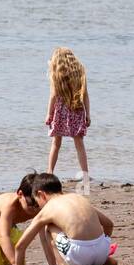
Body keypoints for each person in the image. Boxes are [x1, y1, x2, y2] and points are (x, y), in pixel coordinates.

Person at [14, 173, 118, 265]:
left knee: (49, 227)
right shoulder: (78, 197)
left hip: (79, 256)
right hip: (102, 252)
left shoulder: (48, 208)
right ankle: (107, 261)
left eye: (37, 202)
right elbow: (108, 224)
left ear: (41, 195)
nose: (38, 206)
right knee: (88, 234)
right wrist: (100, 245)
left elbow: (20, 246)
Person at [44, 47, 91, 187]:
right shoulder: (79, 72)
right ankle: (85, 174)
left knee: (56, 143)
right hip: (76, 110)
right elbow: (85, 95)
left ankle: (50, 172)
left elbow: (53, 96)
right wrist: (88, 114)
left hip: (61, 112)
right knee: (79, 144)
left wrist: (49, 113)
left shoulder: (57, 74)